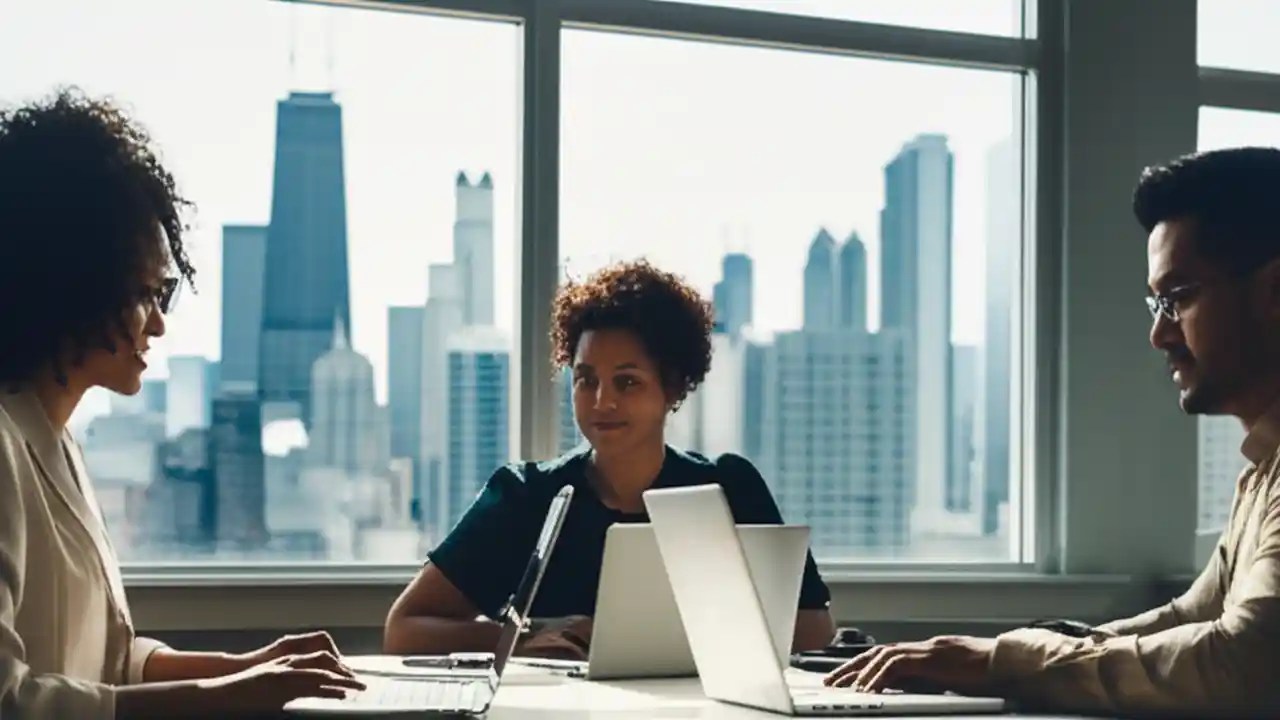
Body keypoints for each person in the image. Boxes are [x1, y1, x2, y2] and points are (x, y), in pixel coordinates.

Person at [824, 147, 1280, 717]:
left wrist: (1004, 661)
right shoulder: (1264, 468)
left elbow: (1241, 661)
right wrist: (1002, 655)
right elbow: (1192, 617)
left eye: (1179, 298)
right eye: (1155, 303)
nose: (1159, 334)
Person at [0, 89, 365, 719]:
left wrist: (249, 666)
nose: (159, 325)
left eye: (163, 293)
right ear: (69, 284)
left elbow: (108, 660)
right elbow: (9, 696)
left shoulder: (58, 442)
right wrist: (220, 698)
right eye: (144, 293)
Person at [385, 260, 836, 658]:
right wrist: (519, 641)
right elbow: (404, 629)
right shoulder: (525, 497)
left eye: (627, 383)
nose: (602, 402)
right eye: (585, 380)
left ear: (674, 388)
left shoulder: (729, 489)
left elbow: (814, 630)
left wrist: (622, 638)